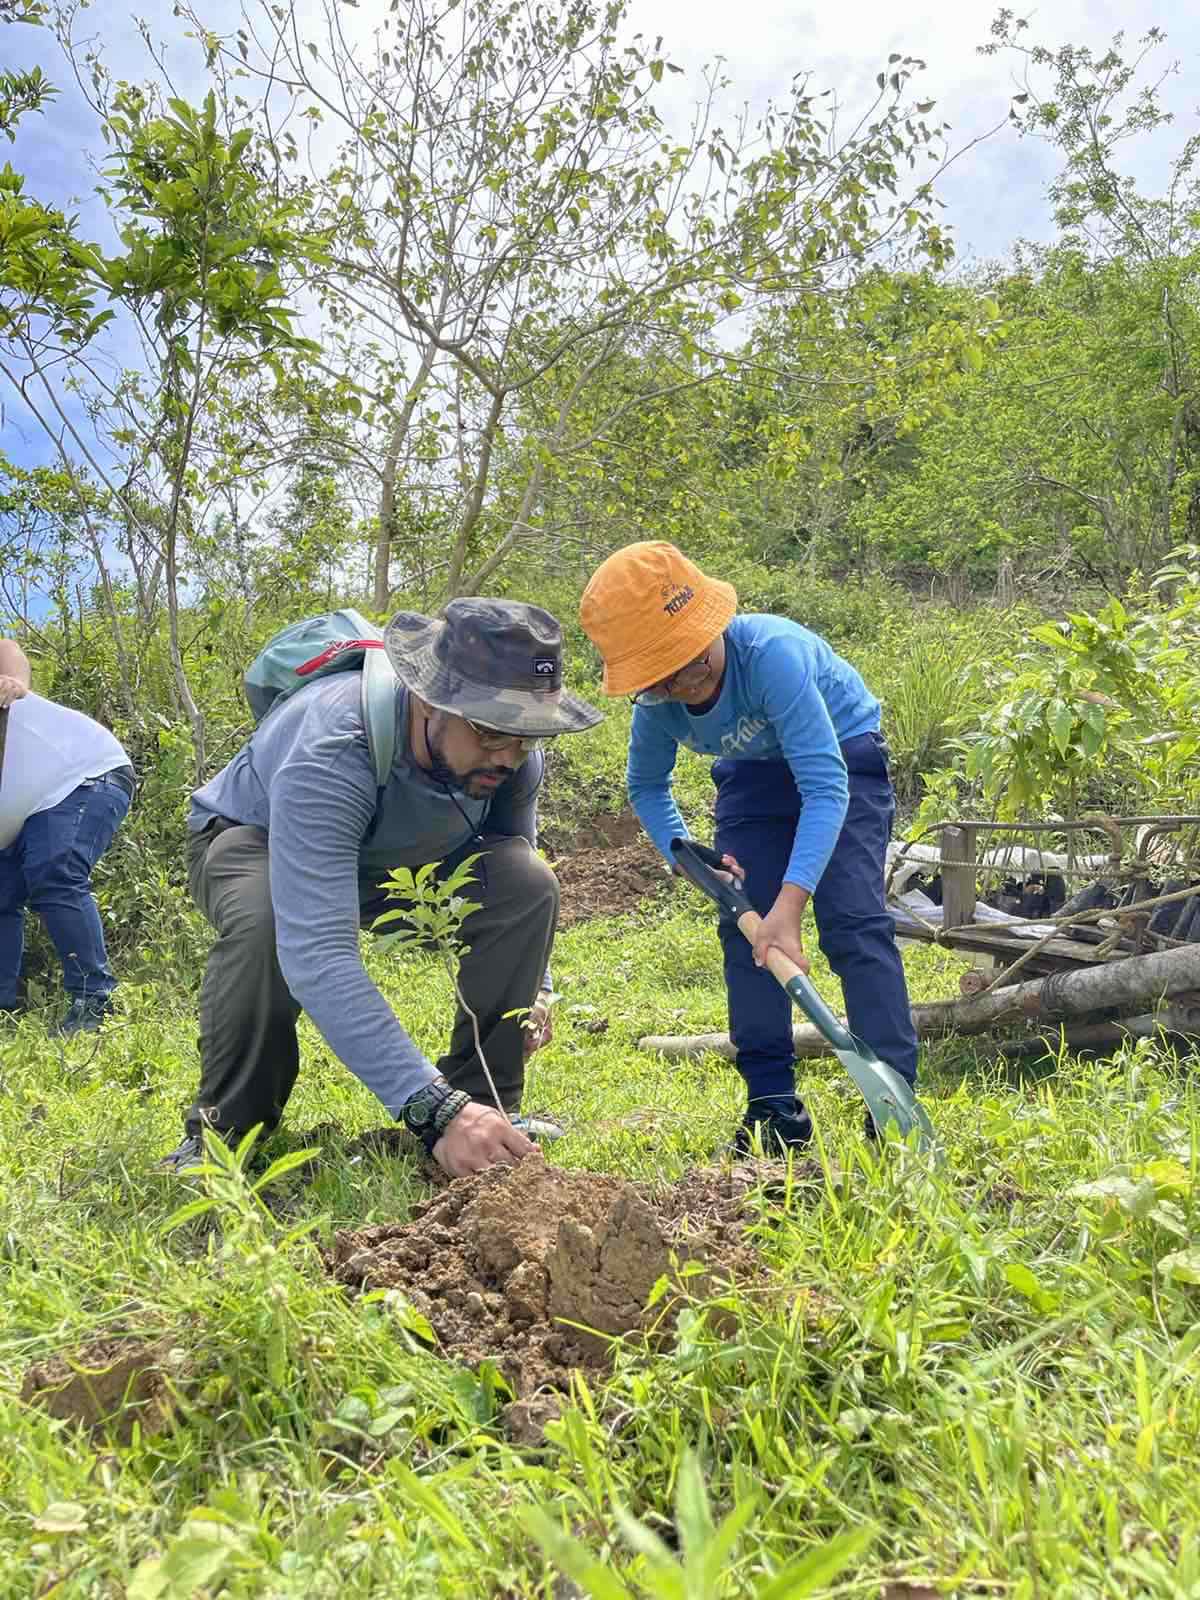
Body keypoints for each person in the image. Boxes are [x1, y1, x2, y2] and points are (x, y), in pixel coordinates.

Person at [162, 599, 602, 1180]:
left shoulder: (513, 757)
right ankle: (224, 1136)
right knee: (266, 923)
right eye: (491, 730)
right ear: (430, 700)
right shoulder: (333, 745)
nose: (509, 755)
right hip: (258, 839)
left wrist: (538, 991)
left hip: (393, 859)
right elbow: (317, 953)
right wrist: (430, 1106)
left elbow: (512, 855)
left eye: (527, 735)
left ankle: (485, 1110)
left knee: (525, 882)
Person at [579, 542, 918, 1154]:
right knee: (747, 932)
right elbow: (647, 785)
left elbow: (825, 786)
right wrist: (687, 857)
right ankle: (772, 1106)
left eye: (689, 663)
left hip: (843, 756)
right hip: (753, 776)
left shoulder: (770, 655)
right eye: (660, 678)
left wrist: (790, 906)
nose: (681, 685)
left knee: (852, 922)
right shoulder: (657, 704)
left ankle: (894, 1103)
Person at [0, 638, 135, 1032]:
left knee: (54, 871)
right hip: (24, 814)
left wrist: (13, 681)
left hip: (80, 774)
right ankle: (3, 1010)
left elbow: (6, 650)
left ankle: (96, 1002)